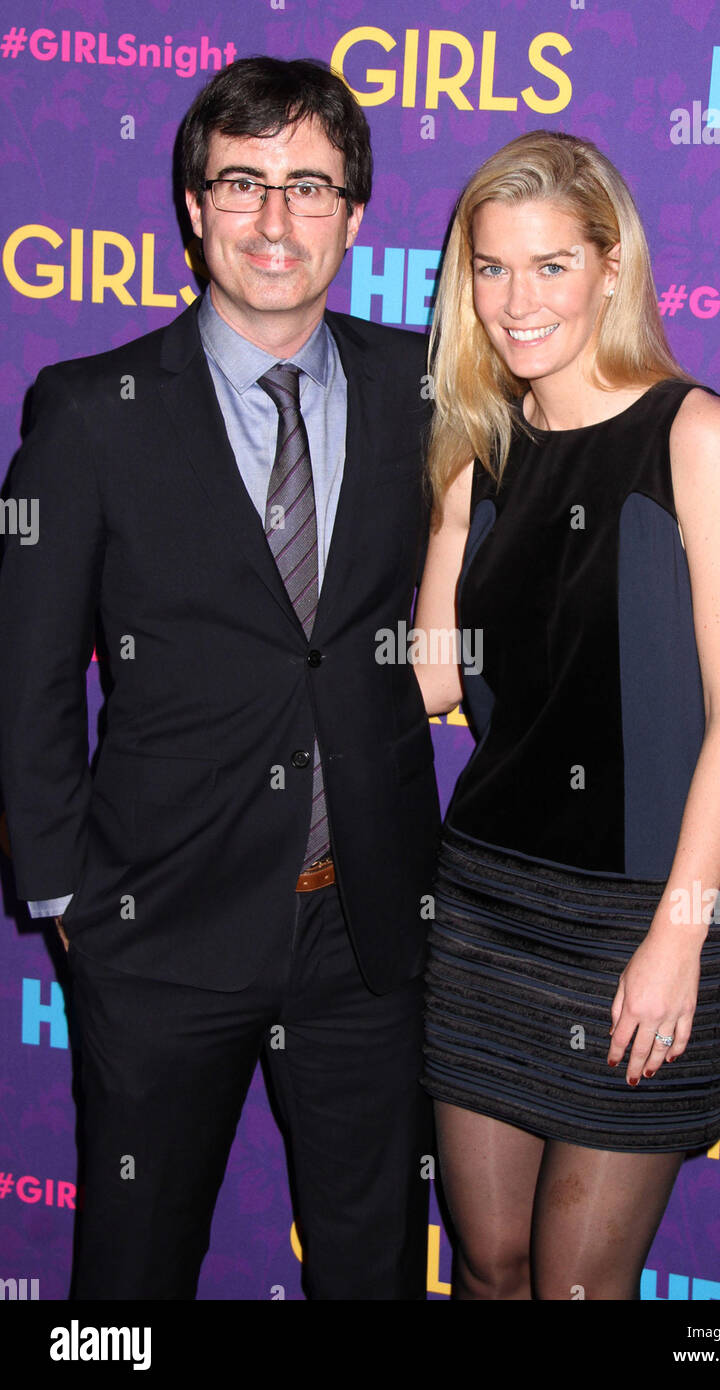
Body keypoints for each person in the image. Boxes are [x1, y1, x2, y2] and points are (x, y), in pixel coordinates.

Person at [0, 56, 440, 1300]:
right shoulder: (91, 413)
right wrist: (61, 894)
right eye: (242, 182)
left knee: (373, 1271)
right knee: (129, 1279)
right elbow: (24, 675)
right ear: (194, 205)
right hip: (156, 926)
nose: (274, 220)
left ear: (355, 215)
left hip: (365, 927)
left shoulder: (424, 390)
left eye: (309, 187)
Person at [413, 131, 720, 1301]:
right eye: (492, 268)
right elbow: (430, 678)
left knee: (574, 1283)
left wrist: (676, 938)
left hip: (638, 918)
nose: (518, 301)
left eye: (552, 266)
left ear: (612, 267)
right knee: (491, 1261)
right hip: (485, 910)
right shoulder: (483, 444)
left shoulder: (696, 438)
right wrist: (447, 489)